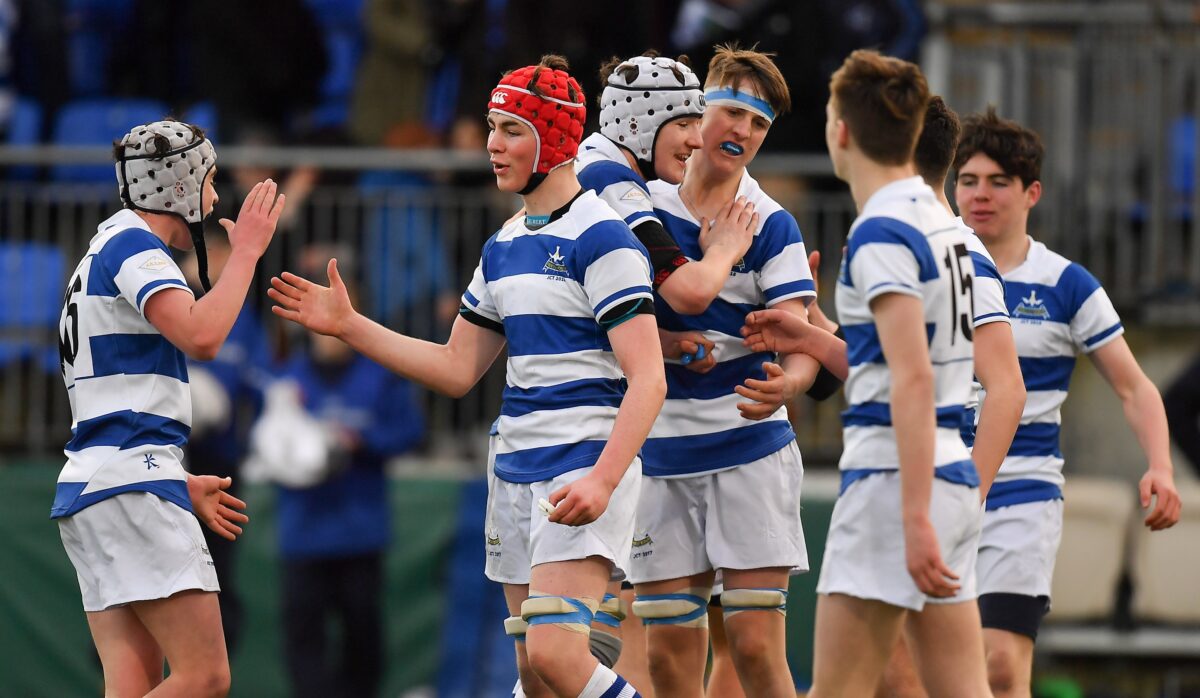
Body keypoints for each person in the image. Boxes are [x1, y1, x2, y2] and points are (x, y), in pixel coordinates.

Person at [269, 55, 663, 698]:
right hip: (513, 468)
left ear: (555, 138)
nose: (491, 144)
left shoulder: (605, 238)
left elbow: (650, 379)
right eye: (490, 126)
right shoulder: (503, 243)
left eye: (511, 129)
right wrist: (350, 325)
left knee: (560, 657)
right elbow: (456, 370)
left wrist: (604, 477)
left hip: (582, 462)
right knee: (536, 678)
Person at [953, 107, 1182, 698]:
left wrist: (1160, 465)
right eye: (968, 180)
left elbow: (1135, 387)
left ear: (1032, 192)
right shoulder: (930, 268)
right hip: (937, 485)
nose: (980, 195)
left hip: (1023, 493)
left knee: (1001, 666)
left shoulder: (1066, 283)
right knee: (917, 671)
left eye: (998, 182)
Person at [53, 119, 284, 696]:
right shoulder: (132, 244)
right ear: (177, 185)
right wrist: (248, 253)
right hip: (129, 485)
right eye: (208, 182)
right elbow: (202, 336)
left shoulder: (99, 250)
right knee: (205, 676)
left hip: (96, 484)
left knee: (133, 684)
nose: (213, 199)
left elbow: (118, 401)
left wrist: (174, 481)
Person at [629, 45, 821, 698]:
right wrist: (670, 339)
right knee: (668, 658)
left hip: (749, 450)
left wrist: (790, 382)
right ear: (693, 110)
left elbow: (800, 337)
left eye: (759, 124)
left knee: (754, 646)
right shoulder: (640, 206)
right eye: (731, 111)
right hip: (660, 452)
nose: (742, 131)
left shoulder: (770, 222)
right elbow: (608, 320)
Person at [803, 50, 991, 698]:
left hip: (895, 482)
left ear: (842, 131)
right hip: (951, 472)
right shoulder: (948, 224)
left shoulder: (882, 229)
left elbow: (911, 377)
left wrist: (912, 517)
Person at [572, 50, 758, 693]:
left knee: (564, 640)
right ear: (641, 118)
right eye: (685, 121)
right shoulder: (613, 181)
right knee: (580, 638)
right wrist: (728, 251)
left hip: (589, 405)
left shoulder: (605, 168)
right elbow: (687, 289)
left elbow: (625, 296)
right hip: (589, 417)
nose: (698, 137)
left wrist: (671, 341)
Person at [273, 318, 426, 698]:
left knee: (363, 634)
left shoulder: (379, 376)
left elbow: (410, 430)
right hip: (303, 532)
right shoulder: (287, 380)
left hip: (359, 530)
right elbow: (263, 438)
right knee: (303, 637)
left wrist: (361, 441)